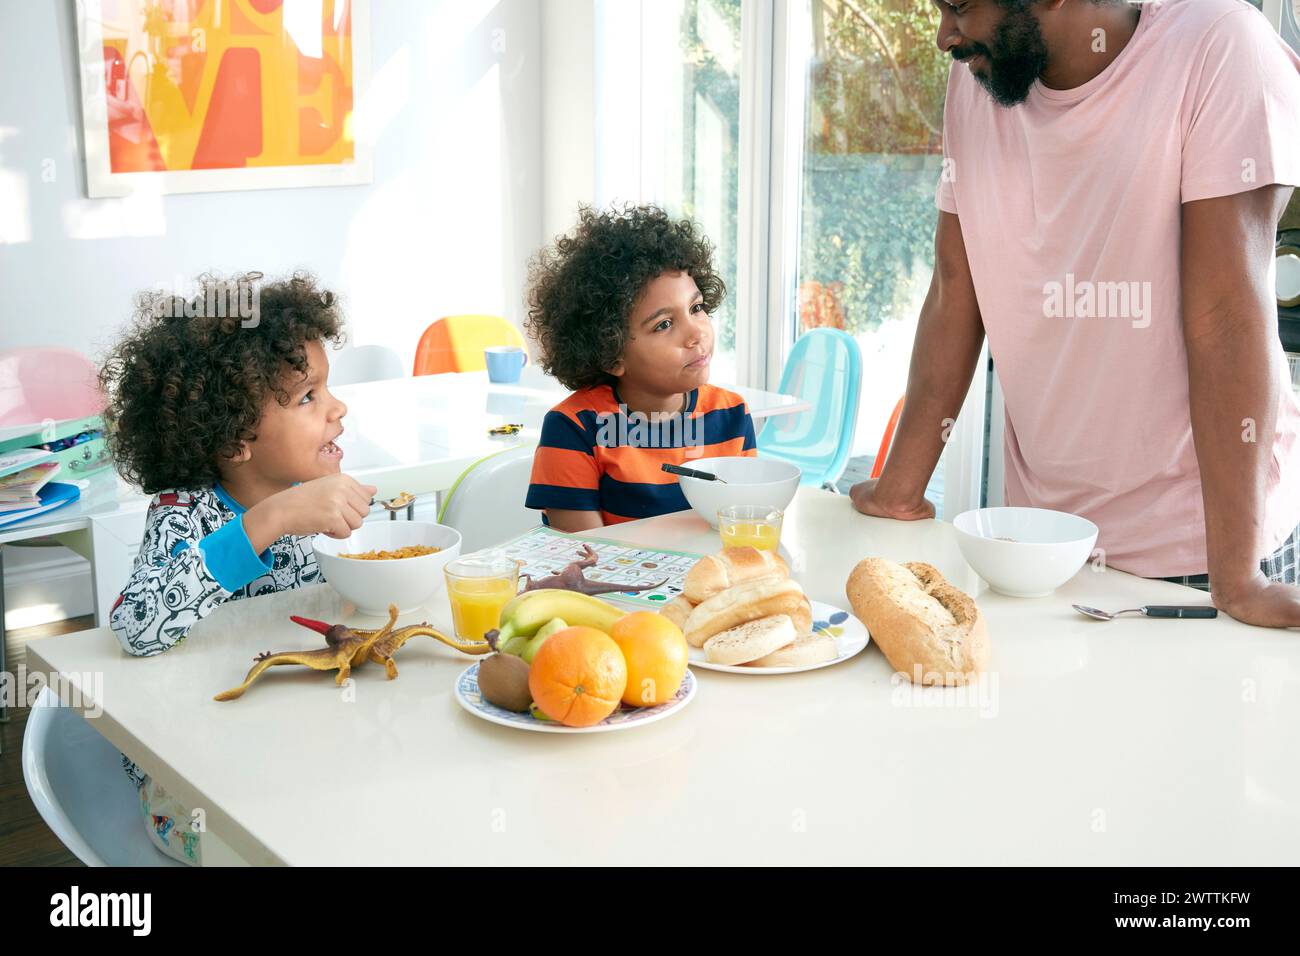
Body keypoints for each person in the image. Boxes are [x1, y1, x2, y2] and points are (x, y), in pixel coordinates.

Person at [852, 0, 1300, 627]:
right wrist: (900, 488)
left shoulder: (1220, 49)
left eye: (958, 7)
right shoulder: (980, 77)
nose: (942, 36)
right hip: (1040, 544)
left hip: (1203, 552)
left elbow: (1227, 316)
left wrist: (1238, 578)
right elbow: (958, 288)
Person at [98, 271, 376, 863]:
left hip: (284, 742)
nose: (337, 408)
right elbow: (137, 627)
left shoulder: (309, 497)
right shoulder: (183, 514)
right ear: (234, 443)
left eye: (327, 389)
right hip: (193, 780)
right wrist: (268, 520)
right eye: (309, 397)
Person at [525, 205, 757, 531]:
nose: (696, 334)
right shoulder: (573, 429)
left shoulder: (731, 415)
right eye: (664, 324)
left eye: (697, 307)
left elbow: (740, 530)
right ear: (611, 354)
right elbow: (584, 556)